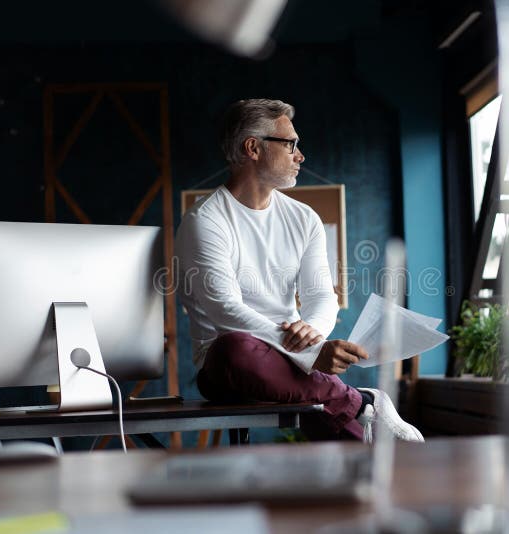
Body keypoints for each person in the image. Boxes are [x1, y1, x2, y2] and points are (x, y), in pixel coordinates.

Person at [176, 98, 423, 442]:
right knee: (235, 348)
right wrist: (309, 352)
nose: (300, 155)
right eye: (290, 144)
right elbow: (225, 310)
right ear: (253, 148)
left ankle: (372, 450)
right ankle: (362, 402)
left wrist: (313, 334)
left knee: (351, 441)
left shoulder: (304, 218)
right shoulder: (205, 220)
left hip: (295, 362)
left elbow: (322, 295)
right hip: (229, 368)